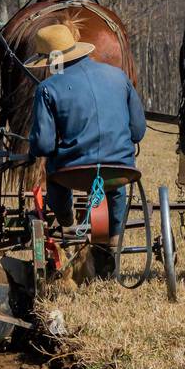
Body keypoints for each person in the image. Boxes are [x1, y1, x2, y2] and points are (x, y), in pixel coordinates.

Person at [26, 23, 146, 272]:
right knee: (113, 181)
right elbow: (138, 131)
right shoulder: (118, 76)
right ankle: (113, 239)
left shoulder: (47, 89)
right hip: (121, 169)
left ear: (52, 60)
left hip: (73, 174)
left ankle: (67, 223)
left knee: (55, 175)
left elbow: (44, 145)